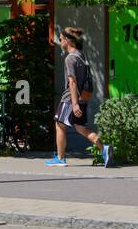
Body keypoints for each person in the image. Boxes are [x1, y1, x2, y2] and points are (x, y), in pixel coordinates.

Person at [47, 27, 111, 168]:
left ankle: (60, 158)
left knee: (59, 124)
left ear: (68, 41)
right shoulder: (81, 56)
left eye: (61, 39)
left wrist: (74, 104)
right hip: (83, 97)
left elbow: (73, 81)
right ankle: (103, 148)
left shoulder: (70, 58)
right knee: (81, 127)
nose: (60, 41)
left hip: (71, 98)